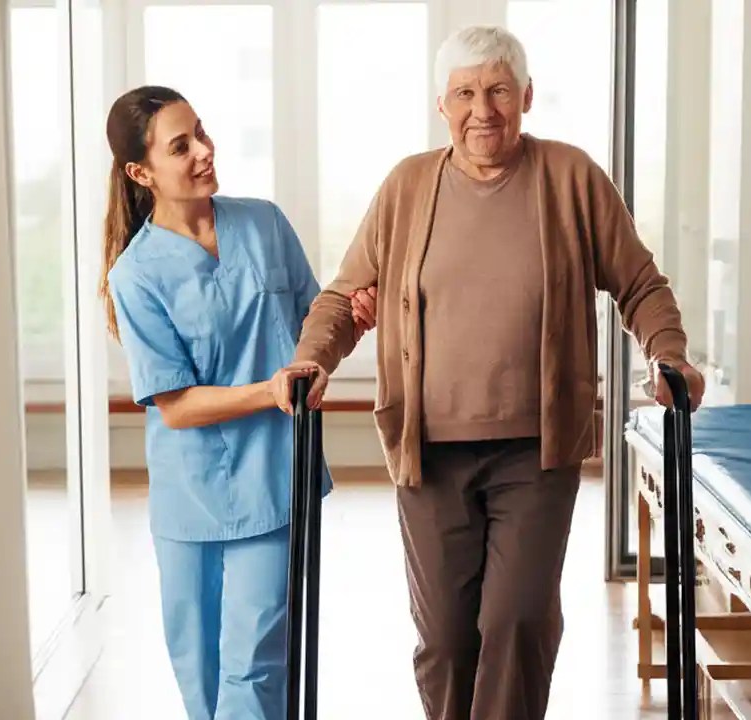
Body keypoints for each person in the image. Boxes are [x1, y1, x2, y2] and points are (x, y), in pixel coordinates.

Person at [276, 26, 706, 720]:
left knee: (519, 622)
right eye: (466, 94)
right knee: (446, 639)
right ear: (441, 105)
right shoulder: (407, 187)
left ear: (527, 96)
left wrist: (668, 352)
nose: (484, 110)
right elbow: (342, 298)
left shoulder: (571, 178)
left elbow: (640, 284)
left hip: (537, 450)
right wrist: (313, 357)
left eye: (500, 91)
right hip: (428, 451)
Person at [98, 85, 365, 719]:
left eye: (202, 132)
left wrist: (355, 320)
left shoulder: (264, 224)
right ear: (141, 172)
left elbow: (316, 330)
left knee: (255, 666)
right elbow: (176, 406)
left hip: (275, 481)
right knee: (200, 672)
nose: (203, 151)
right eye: (180, 146)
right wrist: (268, 390)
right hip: (189, 499)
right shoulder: (136, 274)